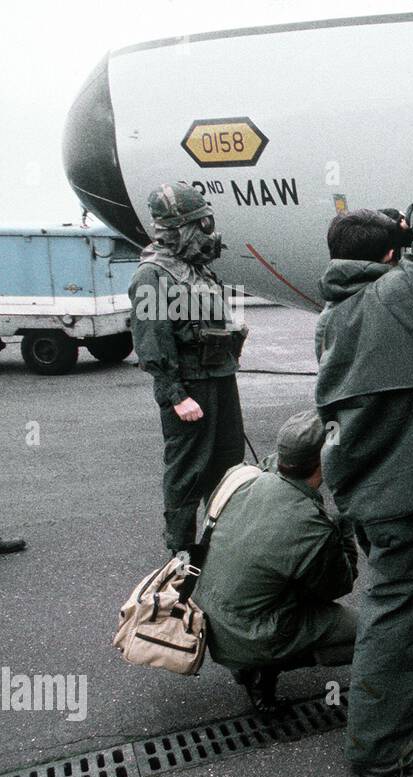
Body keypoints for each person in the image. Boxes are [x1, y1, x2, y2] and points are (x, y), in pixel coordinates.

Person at [315, 201, 413, 777]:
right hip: (403, 490)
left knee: (394, 606)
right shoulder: (391, 302)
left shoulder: (335, 314)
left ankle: (398, 700)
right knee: (399, 612)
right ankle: (384, 746)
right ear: (390, 258)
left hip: (369, 486)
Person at [193, 411, 358, 714]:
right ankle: (259, 663)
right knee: (372, 631)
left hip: (205, 618)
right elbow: (339, 585)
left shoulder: (242, 476)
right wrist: (344, 523)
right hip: (246, 635)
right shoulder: (311, 525)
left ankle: (255, 670)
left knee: (281, 580)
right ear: (323, 462)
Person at [128, 182, 247, 556]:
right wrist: (176, 395)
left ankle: (221, 544)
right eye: (200, 224)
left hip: (220, 377)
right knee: (187, 470)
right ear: (178, 228)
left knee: (228, 463)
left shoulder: (198, 269)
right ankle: (180, 551)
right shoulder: (152, 274)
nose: (208, 232)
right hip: (191, 387)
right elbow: (151, 342)